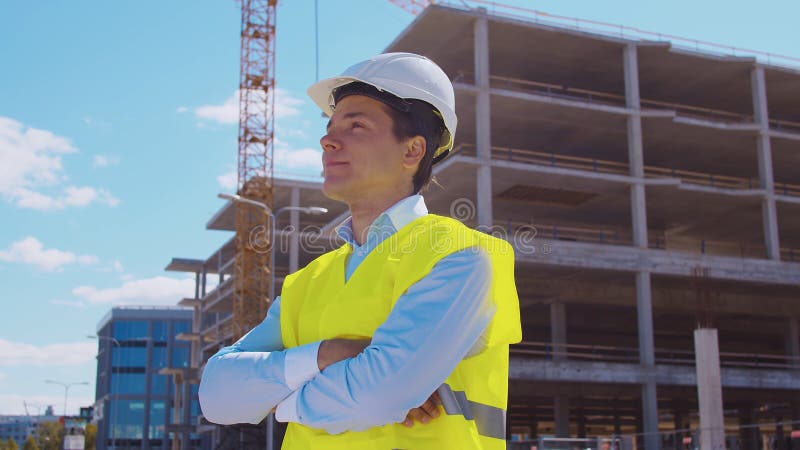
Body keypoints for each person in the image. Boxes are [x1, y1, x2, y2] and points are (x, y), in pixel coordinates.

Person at [199, 52, 521, 449]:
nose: (328, 140)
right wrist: (326, 354)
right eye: (331, 127)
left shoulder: (462, 258)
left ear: (412, 151)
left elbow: (376, 397)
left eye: (356, 126)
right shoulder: (306, 283)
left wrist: (277, 400)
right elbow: (215, 396)